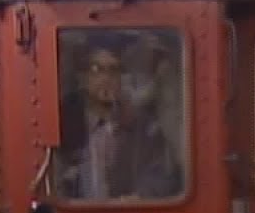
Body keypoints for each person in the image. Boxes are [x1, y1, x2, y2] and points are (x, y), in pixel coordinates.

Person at [57, 42, 182, 200]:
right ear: (83, 77)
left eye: (114, 70)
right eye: (96, 69)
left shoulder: (144, 127)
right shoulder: (64, 123)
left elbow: (163, 174)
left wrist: (139, 196)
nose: (106, 78)